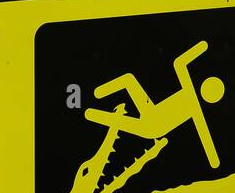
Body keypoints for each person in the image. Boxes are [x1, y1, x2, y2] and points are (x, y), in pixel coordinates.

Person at [82, 40, 224, 168]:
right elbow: (179, 64)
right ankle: (97, 96)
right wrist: (201, 47)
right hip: (152, 113)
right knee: (129, 81)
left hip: (153, 127)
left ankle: (91, 111)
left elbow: (179, 64)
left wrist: (201, 48)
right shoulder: (192, 96)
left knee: (118, 118)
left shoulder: (195, 107)